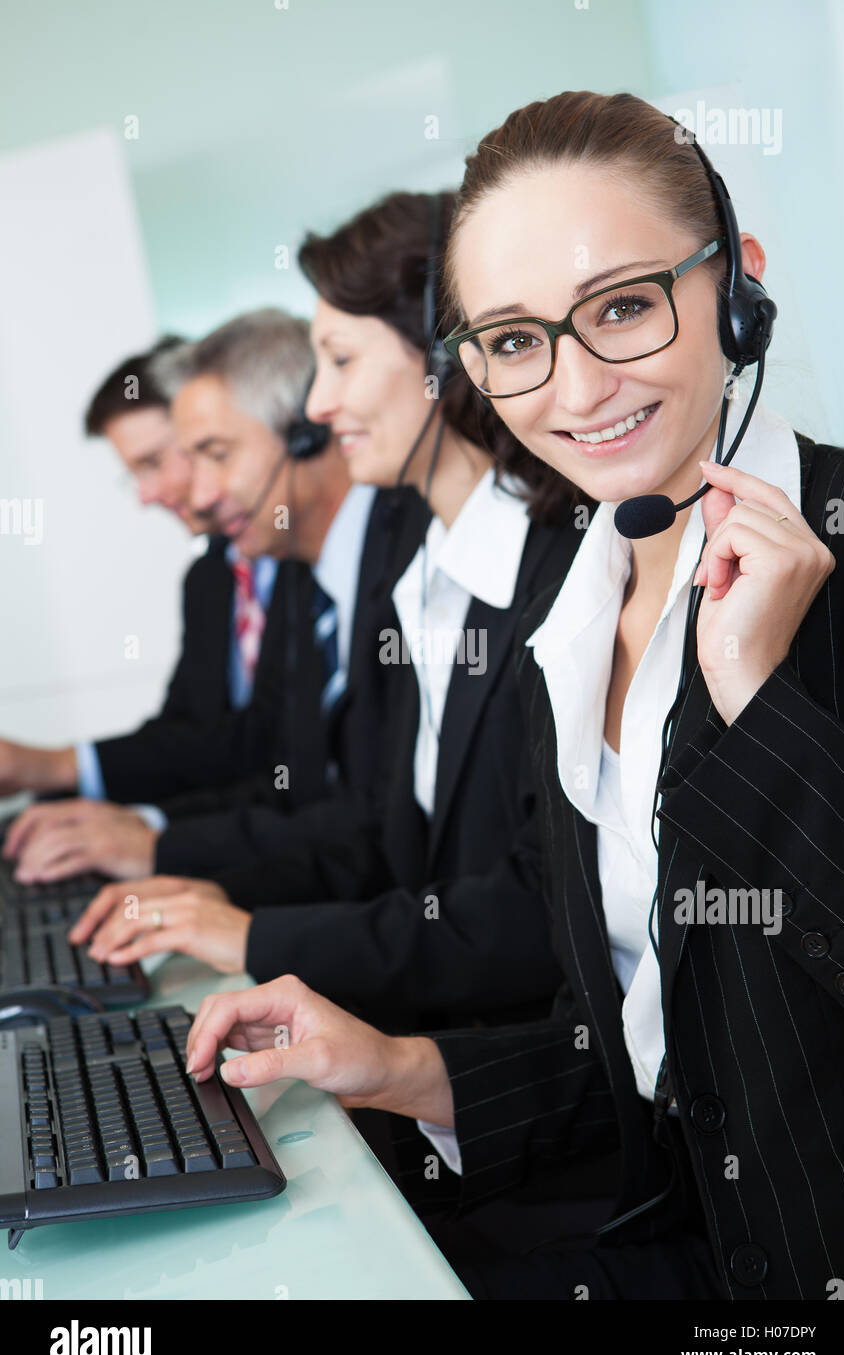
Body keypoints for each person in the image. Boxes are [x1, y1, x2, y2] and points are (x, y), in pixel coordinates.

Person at [181, 90, 844, 1301]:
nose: (574, 386)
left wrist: (761, 712)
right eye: (511, 340)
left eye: (622, 308)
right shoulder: (572, 613)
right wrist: (392, 1063)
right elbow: (634, 1060)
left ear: (738, 291)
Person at [68, 191, 576, 1039]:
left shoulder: (550, 569)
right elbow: (387, 839)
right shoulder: (418, 578)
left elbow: (535, 910)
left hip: (528, 1078)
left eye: (340, 361)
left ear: (444, 359)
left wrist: (252, 930)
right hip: (443, 1040)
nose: (317, 406)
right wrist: (219, 899)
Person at [4, 310, 391, 882]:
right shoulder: (213, 577)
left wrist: (143, 829)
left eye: (161, 460)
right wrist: (130, 819)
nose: (153, 492)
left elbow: (265, 754)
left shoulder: (315, 559)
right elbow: (193, 734)